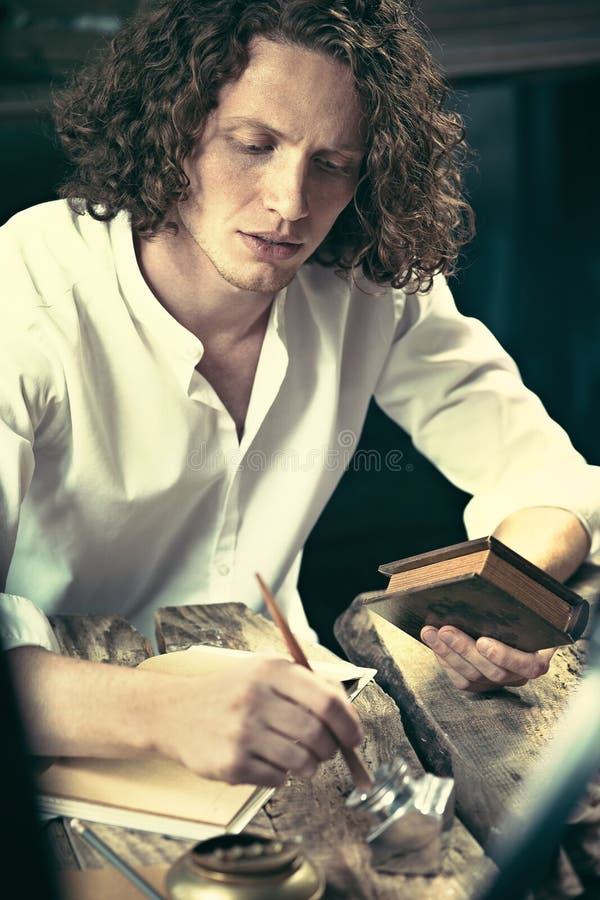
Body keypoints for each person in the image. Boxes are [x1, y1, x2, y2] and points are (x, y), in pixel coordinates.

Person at [1, 0, 599, 786]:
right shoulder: (27, 297)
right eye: (254, 145)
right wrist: (158, 712)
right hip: (72, 747)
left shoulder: (366, 285)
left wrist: (501, 600)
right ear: (172, 128)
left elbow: (549, 479)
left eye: (334, 163)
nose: (291, 203)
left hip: (301, 726)